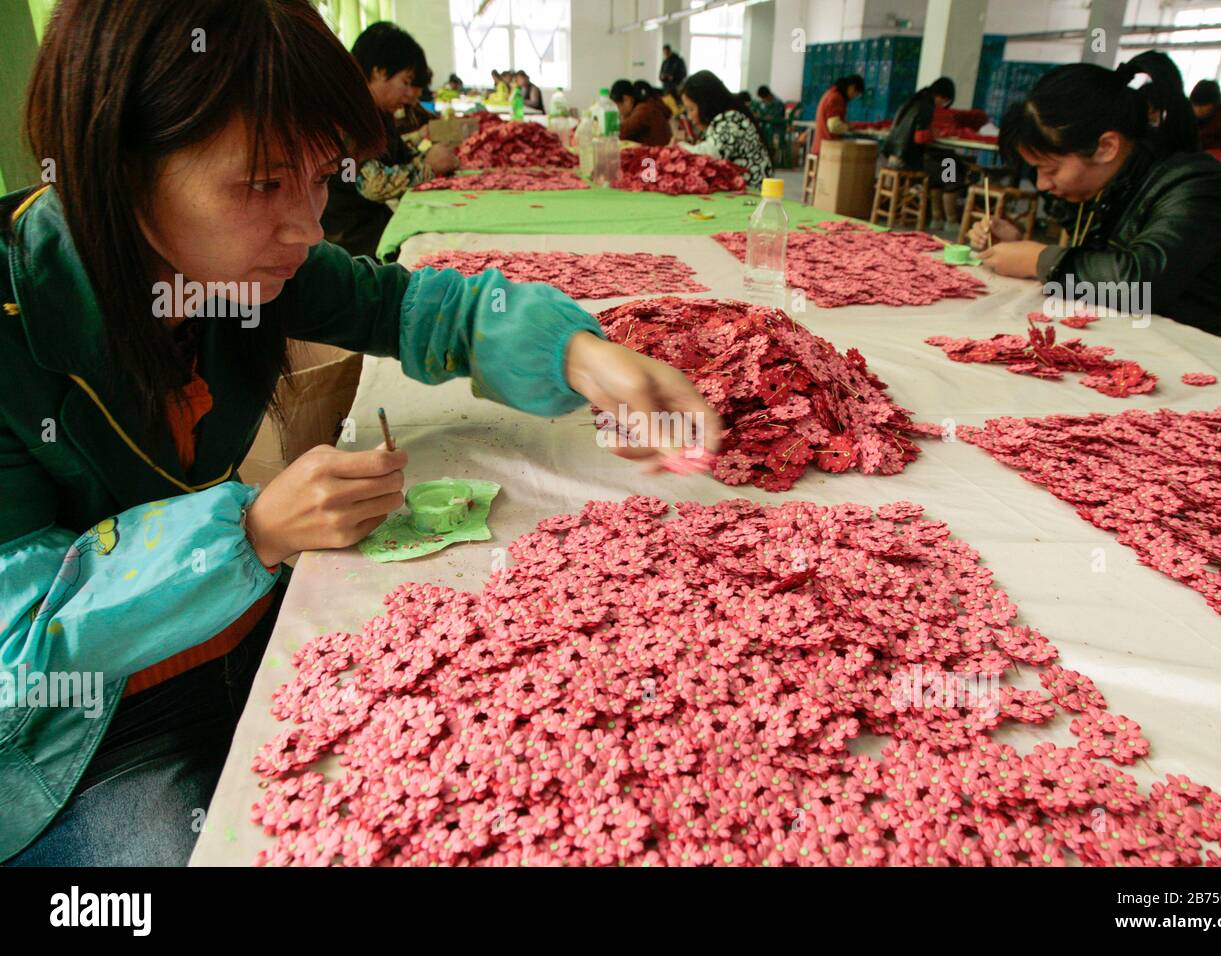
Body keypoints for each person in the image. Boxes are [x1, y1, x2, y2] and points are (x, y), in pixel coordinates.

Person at [0, 0, 721, 867]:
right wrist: (250, 529)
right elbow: (19, 641)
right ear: (117, 164)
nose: (306, 226)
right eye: (263, 184)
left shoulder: (242, 264)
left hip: (226, 632)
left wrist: (579, 355)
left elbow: (417, 305)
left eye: (318, 179)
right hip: (71, 737)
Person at [971, 57, 1221, 349]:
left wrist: (1040, 260)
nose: (1042, 184)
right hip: (1141, 339)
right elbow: (1100, 265)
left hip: (1214, 356)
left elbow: (1139, 286)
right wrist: (1021, 246)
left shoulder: (1198, 185)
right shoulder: (1113, 182)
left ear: (1106, 147)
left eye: (1051, 169)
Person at [321, 22, 458, 257]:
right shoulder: (352, 116)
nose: (410, 95)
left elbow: (396, 154)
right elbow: (372, 184)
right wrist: (429, 167)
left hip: (368, 225)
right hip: (350, 240)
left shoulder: (379, 113)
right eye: (405, 82)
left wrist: (424, 149)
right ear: (379, 72)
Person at [881, 77, 962, 229]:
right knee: (950, 170)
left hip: (894, 157)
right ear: (942, 97)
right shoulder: (926, 107)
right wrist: (934, 134)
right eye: (944, 101)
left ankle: (937, 219)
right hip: (909, 161)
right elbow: (919, 137)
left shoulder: (912, 102)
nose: (943, 105)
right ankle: (951, 222)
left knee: (937, 175)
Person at [675, 70, 773, 189]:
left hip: (751, 193)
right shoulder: (725, 118)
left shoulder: (731, 120)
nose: (689, 117)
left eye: (691, 109)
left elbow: (708, 156)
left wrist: (678, 147)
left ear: (707, 104)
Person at [812, 74, 864, 156]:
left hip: (821, 146)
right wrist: (848, 127)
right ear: (852, 87)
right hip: (827, 149)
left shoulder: (831, 93)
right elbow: (834, 126)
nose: (853, 97)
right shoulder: (836, 97)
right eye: (855, 94)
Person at [610, 78, 672, 146]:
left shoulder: (643, 110)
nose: (618, 111)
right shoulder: (648, 104)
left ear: (626, 99)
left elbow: (620, 134)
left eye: (617, 106)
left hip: (654, 154)